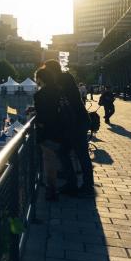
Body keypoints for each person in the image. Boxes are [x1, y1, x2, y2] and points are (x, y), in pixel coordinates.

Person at [43, 60, 95, 197]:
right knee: (63, 152)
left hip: (77, 123)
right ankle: (72, 184)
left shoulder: (63, 78)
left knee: (81, 154)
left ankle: (87, 187)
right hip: (71, 124)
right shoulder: (60, 80)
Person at [33, 65, 64, 201]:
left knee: (48, 161)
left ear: (40, 79)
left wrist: (37, 118)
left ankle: (51, 190)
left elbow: (42, 115)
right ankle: (54, 187)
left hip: (46, 132)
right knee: (54, 160)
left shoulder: (40, 94)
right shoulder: (58, 90)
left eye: (37, 79)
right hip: (59, 129)